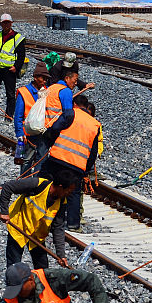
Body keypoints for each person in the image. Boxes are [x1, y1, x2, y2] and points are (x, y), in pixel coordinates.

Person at [40, 93, 101, 232]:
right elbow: (93, 152)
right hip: (78, 164)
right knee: (74, 192)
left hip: (58, 157)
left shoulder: (70, 113)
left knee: (46, 181)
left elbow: (55, 128)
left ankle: (40, 210)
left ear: (75, 104)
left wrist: (50, 142)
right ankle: (73, 224)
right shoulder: (95, 124)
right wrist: (85, 169)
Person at [0, 172, 75, 270]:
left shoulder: (62, 202)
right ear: (60, 187)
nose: (69, 194)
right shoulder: (38, 185)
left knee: (43, 268)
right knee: (14, 266)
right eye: (68, 190)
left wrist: (61, 255)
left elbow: (58, 228)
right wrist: (4, 212)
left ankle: (40, 280)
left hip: (37, 236)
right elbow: (8, 187)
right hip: (18, 227)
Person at [32, 66, 79, 169]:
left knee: (41, 157)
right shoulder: (66, 91)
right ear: (67, 78)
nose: (76, 83)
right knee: (57, 159)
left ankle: (37, 177)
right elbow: (68, 114)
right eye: (75, 80)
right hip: (56, 129)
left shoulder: (51, 87)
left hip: (44, 126)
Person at [0, 14, 27, 125]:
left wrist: (16, 67)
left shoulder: (17, 38)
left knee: (10, 95)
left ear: (11, 23)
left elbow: (21, 55)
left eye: (8, 22)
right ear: (0, 24)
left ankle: (8, 117)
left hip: (9, 70)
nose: (6, 25)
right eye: (4, 23)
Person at [13, 62, 50, 167]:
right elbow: (18, 116)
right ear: (35, 77)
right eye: (42, 78)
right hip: (28, 134)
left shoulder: (47, 91)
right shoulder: (24, 92)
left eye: (46, 78)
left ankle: (37, 178)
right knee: (26, 161)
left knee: (41, 160)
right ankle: (25, 177)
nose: (44, 81)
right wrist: (20, 134)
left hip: (42, 133)